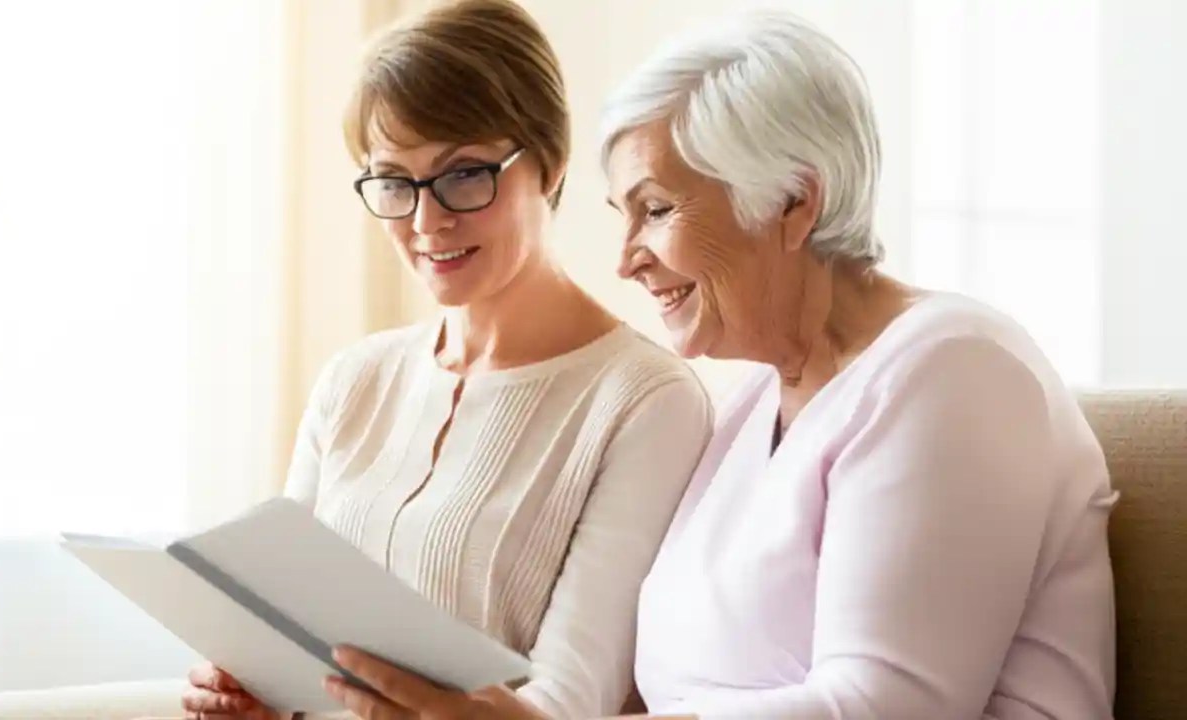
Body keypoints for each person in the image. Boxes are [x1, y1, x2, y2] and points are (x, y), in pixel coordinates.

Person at [324, 10, 1118, 720]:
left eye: (657, 209)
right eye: (622, 215)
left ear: (793, 202)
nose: (628, 260)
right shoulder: (753, 403)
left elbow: (885, 703)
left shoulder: (955, 368)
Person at [179, 2, 711, 719]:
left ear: (548, 163)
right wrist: (252, 688)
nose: (427, 221)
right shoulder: (355, 380)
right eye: (394, 181)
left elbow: (572, 700)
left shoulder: (645, 400)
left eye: (463, 174)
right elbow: (279, 631)